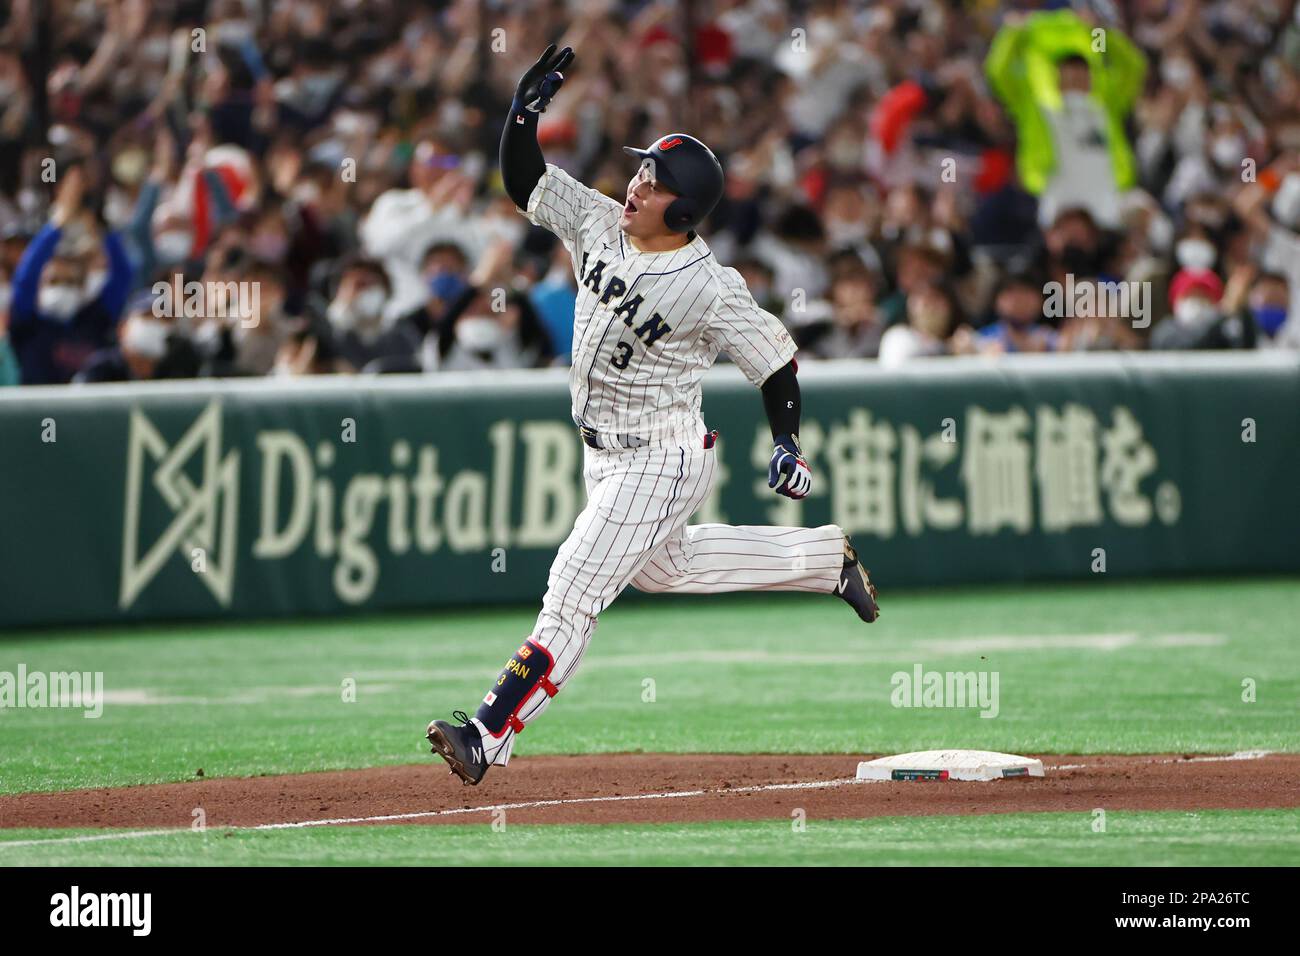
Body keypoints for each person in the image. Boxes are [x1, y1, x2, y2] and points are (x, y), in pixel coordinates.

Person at [425, 45, 881, 787]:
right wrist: (523, 112)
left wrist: (788, 441)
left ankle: (487, 732)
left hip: (662, 455)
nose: (637, 182)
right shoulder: (602, 223)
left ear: (685, 209)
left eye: (656, 179)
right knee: (665, 572)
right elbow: (525, 180)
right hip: (601, 452)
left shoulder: (708, 284)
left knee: (574, 585)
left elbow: (773, 361)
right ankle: (823, 558)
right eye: (641, 168)